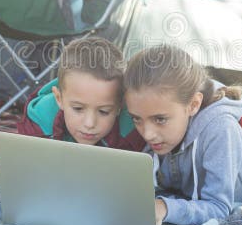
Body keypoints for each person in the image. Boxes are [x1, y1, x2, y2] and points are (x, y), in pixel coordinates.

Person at [123, 44, 242, 225]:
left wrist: (164, 207)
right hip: (206, 137)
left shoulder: (222, 129)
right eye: (137, 119)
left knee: (229, 134)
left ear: (193, 104)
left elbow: (219, 207)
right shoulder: (162, 124)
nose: (147, 134)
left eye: (160, 119)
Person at [16, 36, 145, 151]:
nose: (89, 123)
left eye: (104, 111)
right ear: (58, 98)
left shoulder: (131, 130)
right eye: (78, 108)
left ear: (120, 105)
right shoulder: (40, 120)